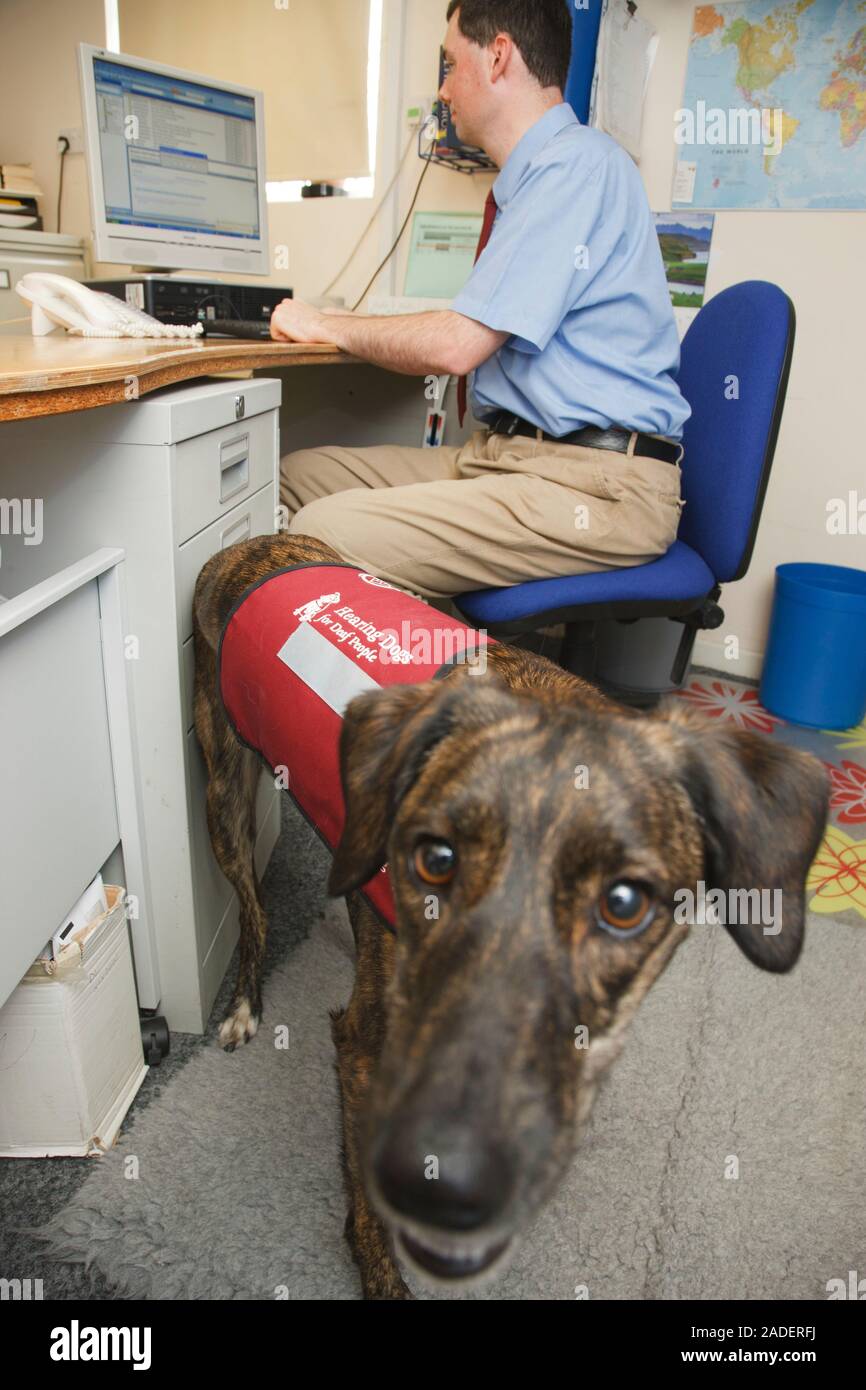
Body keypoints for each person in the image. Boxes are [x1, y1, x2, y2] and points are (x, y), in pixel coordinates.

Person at [271, 0, 690, 600]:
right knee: (294, 478)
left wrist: (328, 325)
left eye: (448, 64)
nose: (442, 90)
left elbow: (457, 345)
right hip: (506, 455)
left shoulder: (577, 166)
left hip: (596, 486)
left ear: (497, 56)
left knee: (320, 529)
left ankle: (413, 688)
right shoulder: (533, 180)